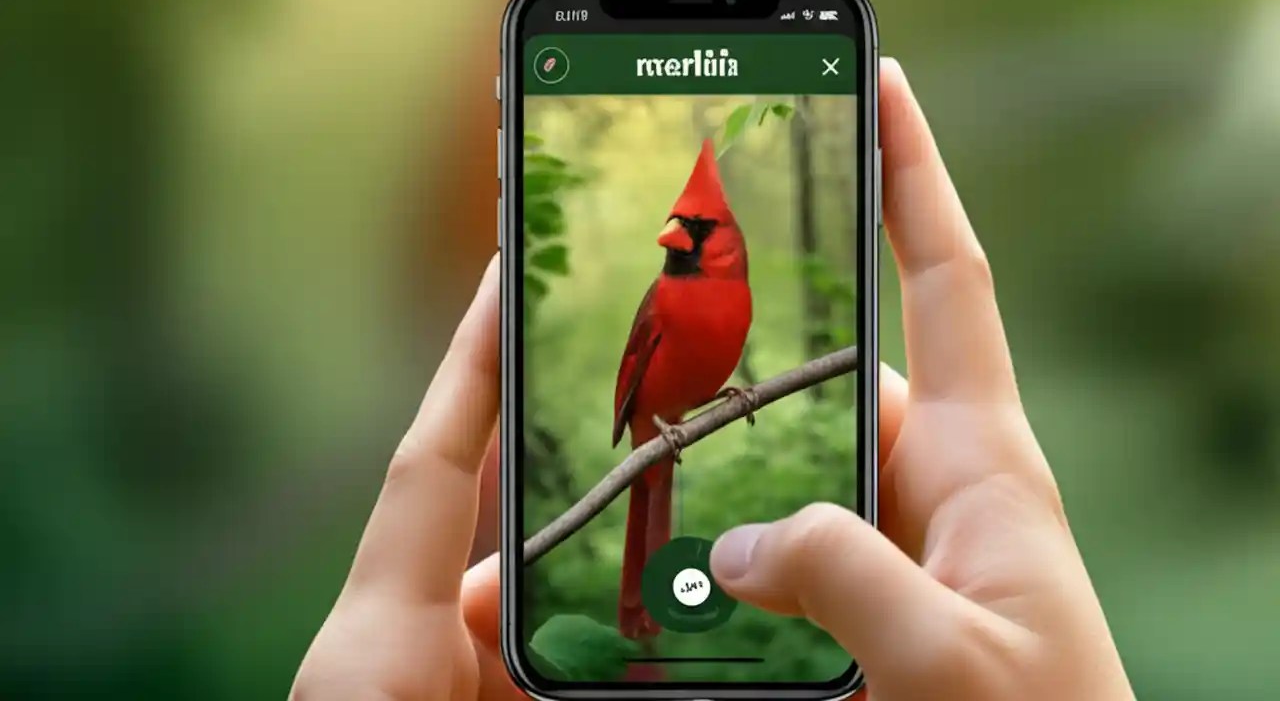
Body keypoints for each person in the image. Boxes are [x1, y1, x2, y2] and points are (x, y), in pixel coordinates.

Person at [289, 59, 1136, 701]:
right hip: (656, 420)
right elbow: (637, 369)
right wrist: (647, 429)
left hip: (696, 408)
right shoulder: (662, 296)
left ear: (724, 239)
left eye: (695, 227)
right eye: (680, 225)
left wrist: (734, 399)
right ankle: (638, 607)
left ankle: (651, 614)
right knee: (643, 505)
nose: (677, 235)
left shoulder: (740, 293)